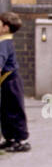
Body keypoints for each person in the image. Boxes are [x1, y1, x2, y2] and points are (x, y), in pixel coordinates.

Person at [0, 12, 30, 153]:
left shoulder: (4, 43)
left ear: (5, 27)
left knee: (15, 110)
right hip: (6, 81)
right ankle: (10, 138)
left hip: (11, 81)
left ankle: (22, 140)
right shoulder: (4, 41)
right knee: (5, 111)